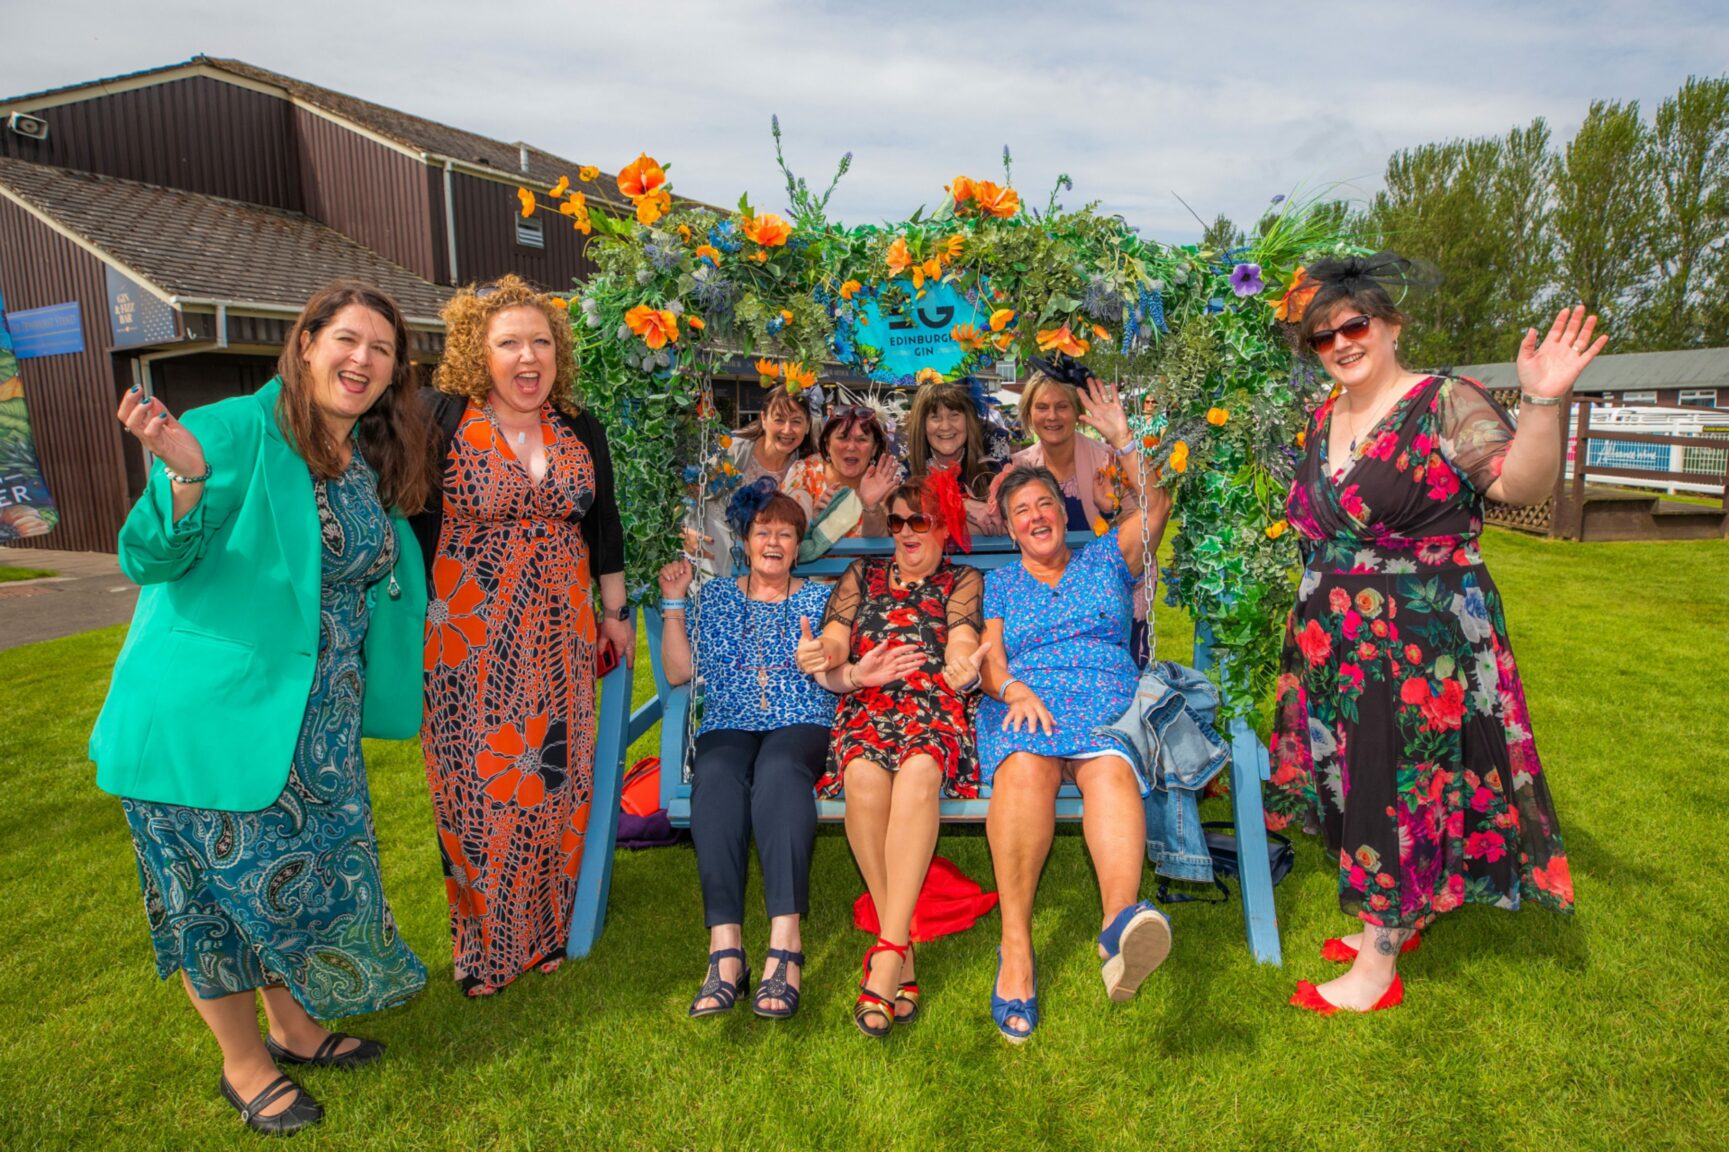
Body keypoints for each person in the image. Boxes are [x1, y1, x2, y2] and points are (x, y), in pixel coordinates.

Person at [89, 281, 433, 1135]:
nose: (362, 360)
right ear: (307, 342)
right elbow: (146, 556)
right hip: (211, 721)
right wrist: (187, 478)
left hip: (313, 732)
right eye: (347, 340)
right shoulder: (230, 430)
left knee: (293, 885)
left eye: (381, 350)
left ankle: (293, 1027)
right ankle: (244, 1067)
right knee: (217, 899)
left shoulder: (363, 456)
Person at [1267, 254, 1594, 1014]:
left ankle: (1378, 965)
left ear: (1389, 327)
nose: (1342, 343)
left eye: (1355, 326)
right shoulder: (1323, 417)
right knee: (1356, 780)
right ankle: (1399, 912)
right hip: (1335, 640)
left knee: (1397, 784)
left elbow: (1516, 484)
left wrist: (1542, 402)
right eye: (1323, 337)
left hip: (1418, 639)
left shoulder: (1444, 399)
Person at [414, 275, 630, 997]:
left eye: (540, 340)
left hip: (560, 632)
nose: (527, 356)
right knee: (476, 788)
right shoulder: (441, 420)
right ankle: (484, 943)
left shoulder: (578, 426)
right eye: (509, 342)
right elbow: (411, 526)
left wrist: (614, 611)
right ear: (480, 351)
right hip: (467, 638)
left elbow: (604, 526)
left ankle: (547, 928)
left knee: (552, 777)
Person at [658, 481, 922, 1020]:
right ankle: (725, 949)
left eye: (785, 533)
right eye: (763, 532)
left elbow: (833, 673)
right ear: (746, 540)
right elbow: (680, 671)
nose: (773, 542)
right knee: (717, 775)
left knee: (778, 773)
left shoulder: (817, 596)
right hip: (729, 720)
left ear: (798, 546)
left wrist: (839, 668)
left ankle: (786, 942)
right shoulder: (717, 596)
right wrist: (673, 604)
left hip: (799, 719)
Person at [974, 378, 1175, 1044]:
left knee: (1110, 768)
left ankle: (1120, 926)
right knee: (1025, 767)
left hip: (1102, 697)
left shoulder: (1104, 560)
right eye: (1020, 511)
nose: (1035, 516)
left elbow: (1159, 501)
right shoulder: (998, 582)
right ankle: (1016, 948)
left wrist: (1121, 440)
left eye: (1044, 504)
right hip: (1026, 701)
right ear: (1008, 527)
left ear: (1062, 512)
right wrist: (1011, 692)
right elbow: (992, 658)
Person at [796, 472, 987, 1037]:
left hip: (935, 704)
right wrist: (822, 652)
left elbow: (961, 637)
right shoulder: (864, 574)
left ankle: (887, 957)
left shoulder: (962, 579)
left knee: (921, 771)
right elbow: (835, 636)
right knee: (861, 776)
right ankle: (896, 943)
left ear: (943, 529)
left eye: (919, 521)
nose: (905, 531)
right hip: (867, 700)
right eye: (897, 520)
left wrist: (962, 663)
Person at [689, 385, 818, 577]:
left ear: (808, 426)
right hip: (712, 554)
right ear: (764, 419)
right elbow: (691, 490)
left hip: (763, 570)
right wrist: (687, 530)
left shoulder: (806, 468)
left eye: (796, 421)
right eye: (779, 419)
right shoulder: (734, 451)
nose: (787, 429)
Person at [782, 404, 902, 553]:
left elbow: (880, 550)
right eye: (842, 437)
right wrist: (813, 522)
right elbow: (783, 535)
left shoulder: (886, 483)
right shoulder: (804, 473)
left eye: (861, 439)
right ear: (827, 444)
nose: (851, 447)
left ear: (874, 448)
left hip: (864, 574)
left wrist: (871, 508)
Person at [902, 379, 1011, 535]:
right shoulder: (906, 464)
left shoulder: (992, 446)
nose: (946, 426)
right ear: (922, 424)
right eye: (935, 417)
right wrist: (961, 504)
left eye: (954, 415)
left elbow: (1008, 512)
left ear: (969, 419)